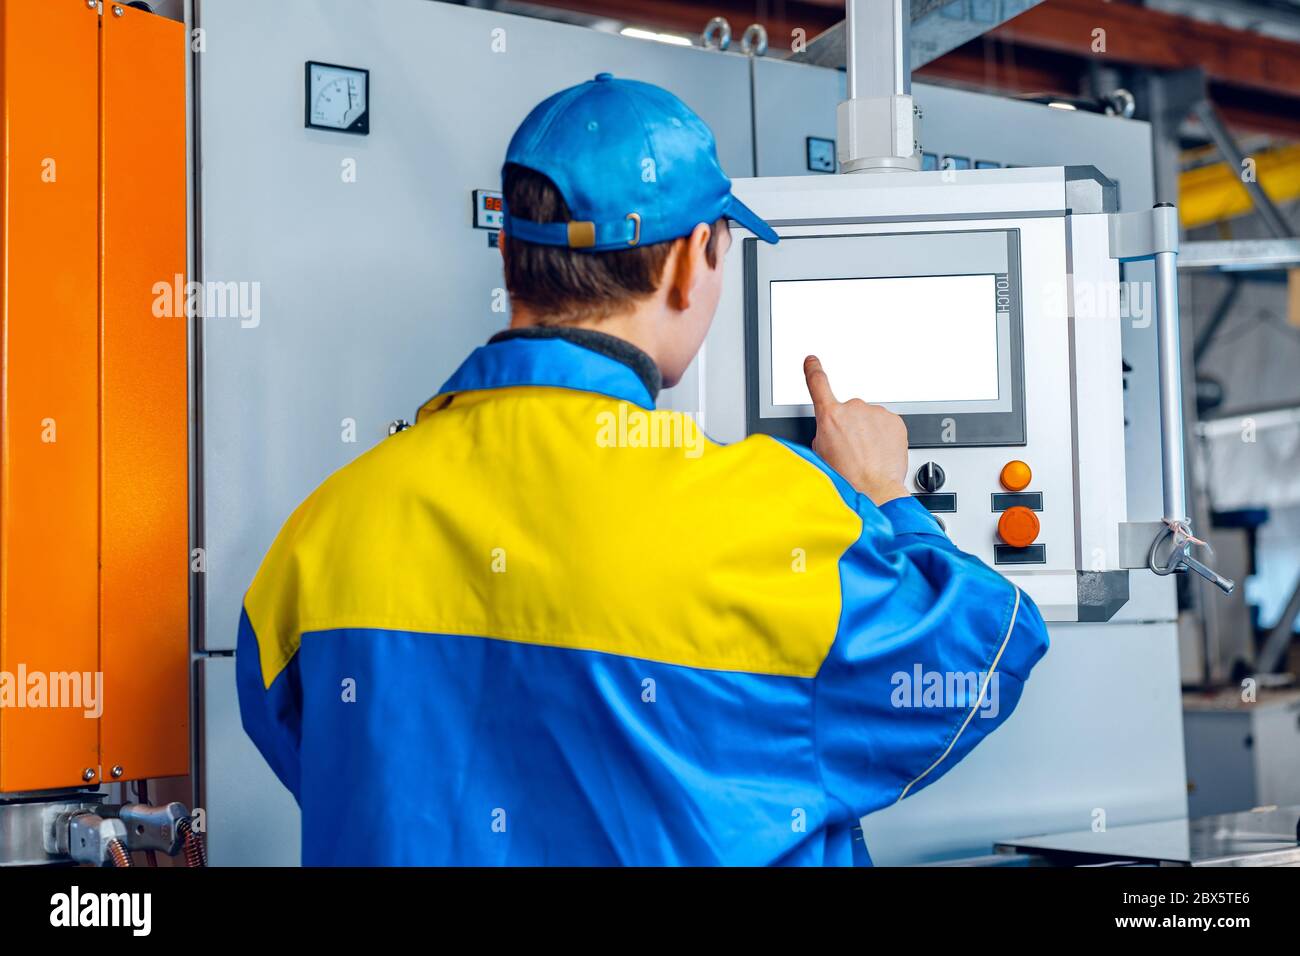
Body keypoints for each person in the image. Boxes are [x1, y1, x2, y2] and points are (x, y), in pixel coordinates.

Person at [237, 73, 1049, 865]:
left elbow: (334, 769)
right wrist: (885, 496)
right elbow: (984, 654)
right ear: (691, 262)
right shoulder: (772, 518)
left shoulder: (325, 529)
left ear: (510, 256)